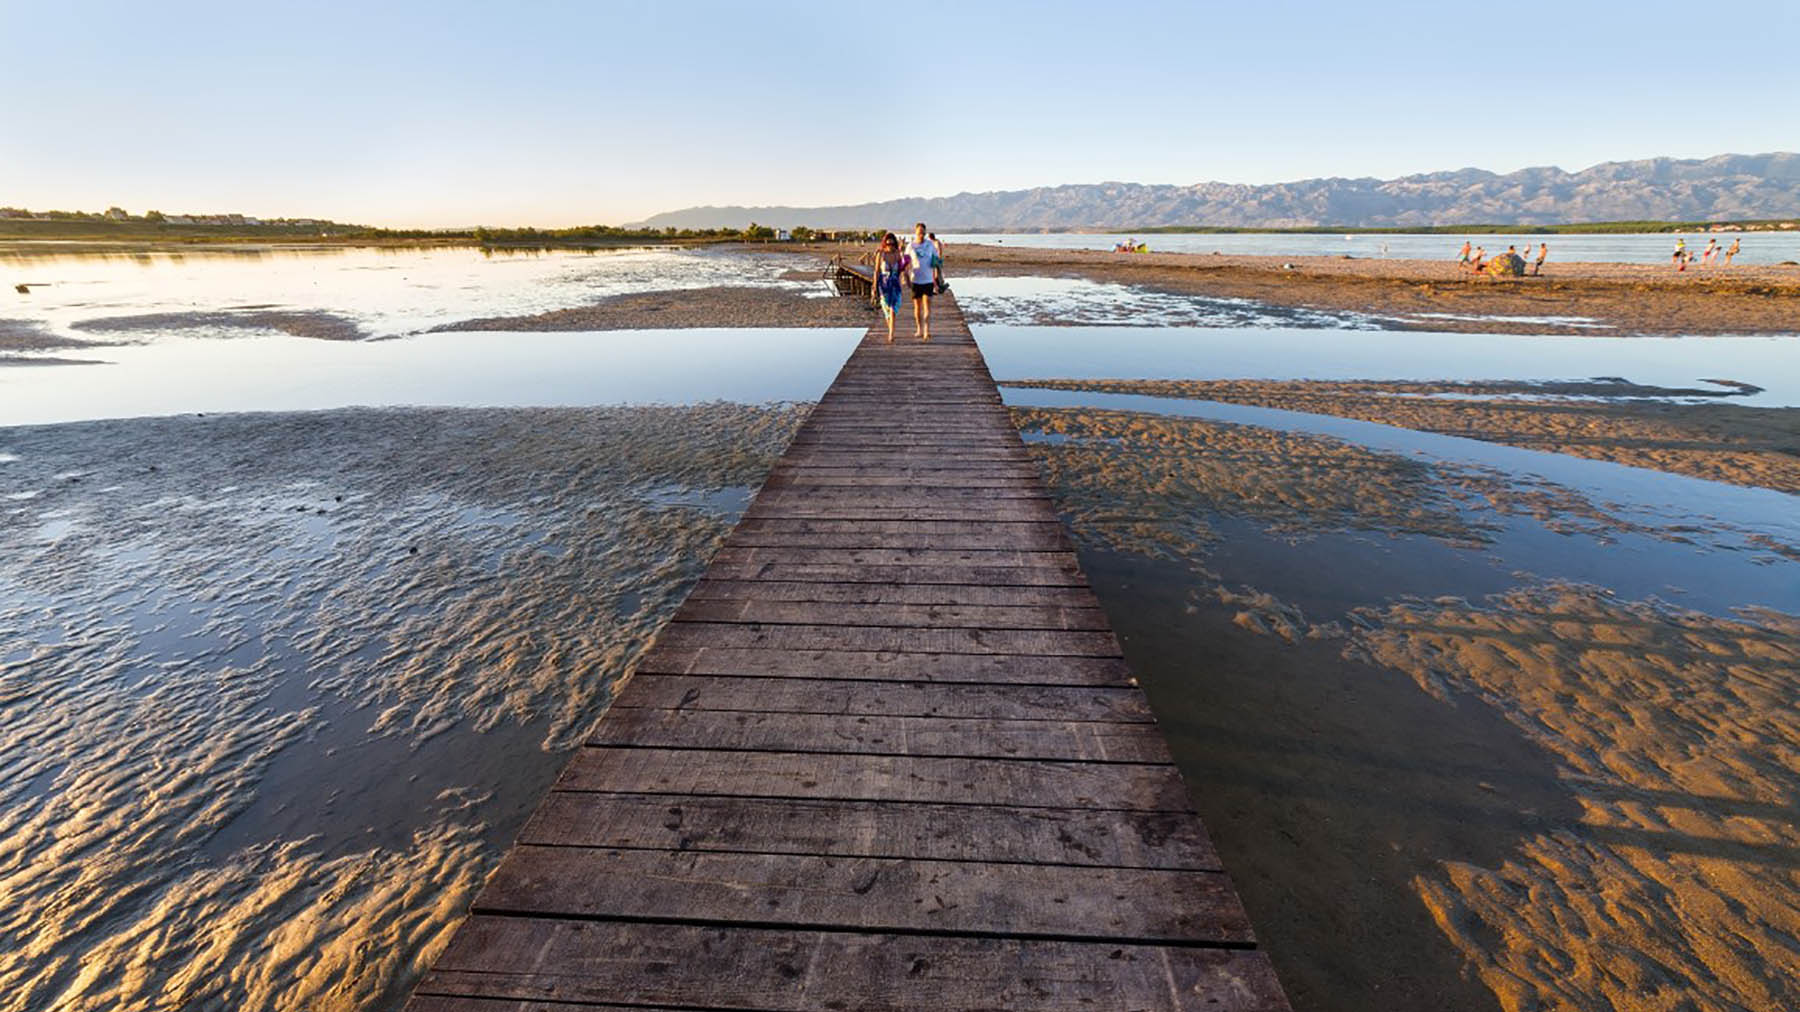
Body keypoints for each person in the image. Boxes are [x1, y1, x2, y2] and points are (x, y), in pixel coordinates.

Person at [901, 222, 940, 341]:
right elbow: (905, 263)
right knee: (917, 307)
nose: (921, 234)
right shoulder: (911, 246)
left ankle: (927, 331)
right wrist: (905, 277)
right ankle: (919, 329)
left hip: (928, 280)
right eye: (919, 232)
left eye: (923, 232)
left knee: (927, 305)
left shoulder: (930, 245)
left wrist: (937, 278)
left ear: (925, 233)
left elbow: (936, 262)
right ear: (915, 232)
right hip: (915, 280)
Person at [872, 231, 905, 342]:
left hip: (895, 284)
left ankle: (891, 333)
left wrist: (904, 281)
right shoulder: (880, 254)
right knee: (886, 310)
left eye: (892, 244)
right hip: (884, 284)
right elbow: (876, 271)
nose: (890, 246)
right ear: (884, 244)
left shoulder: (897, 254)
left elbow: (901, 269)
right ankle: (890, 329)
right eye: (888, 244)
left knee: (893, 308)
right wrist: (874, 286)